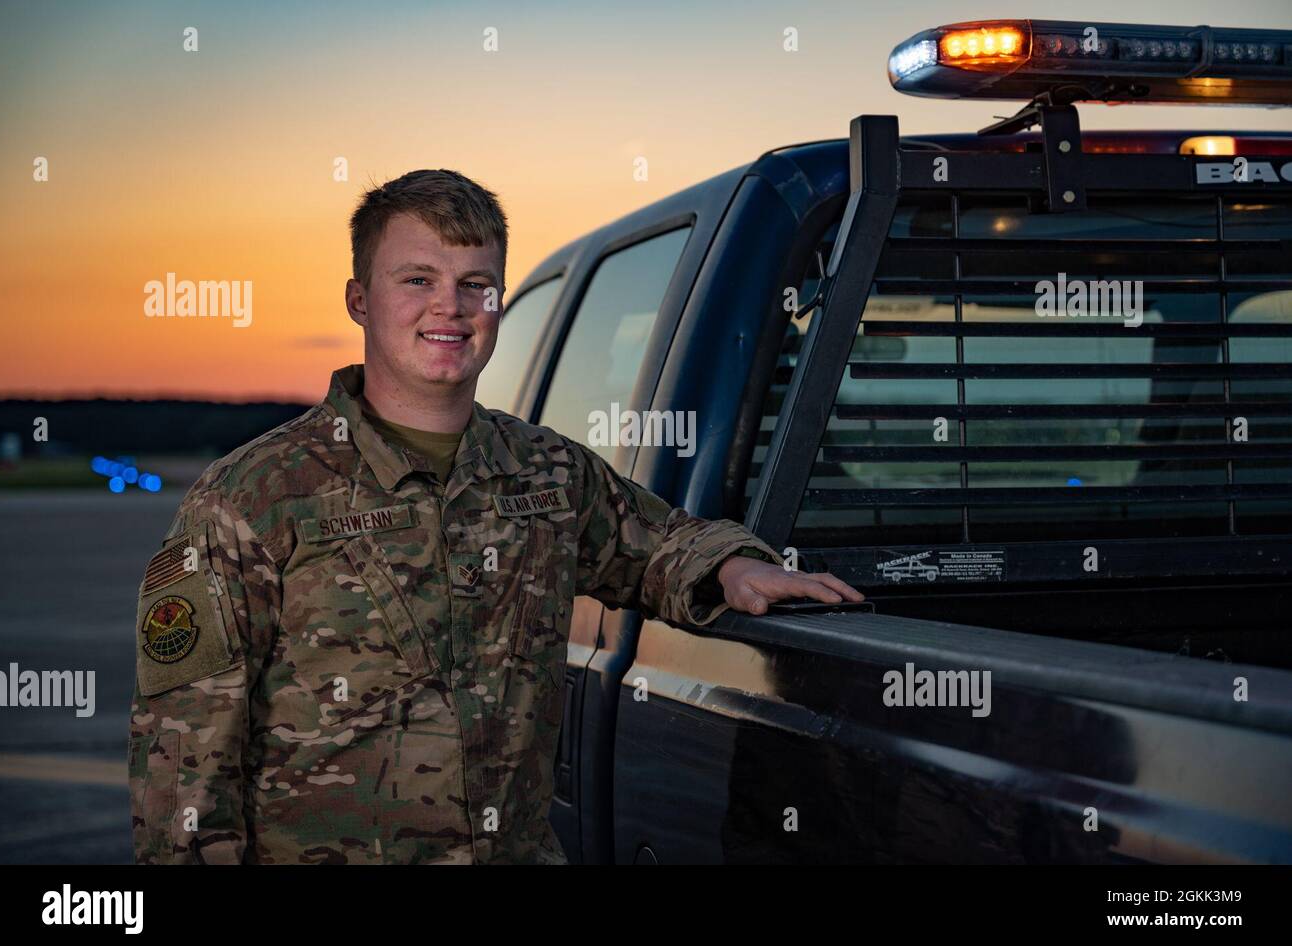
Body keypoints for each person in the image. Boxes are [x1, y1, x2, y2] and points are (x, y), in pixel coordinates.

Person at [128, 169, 863, 864]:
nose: (449, 306)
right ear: (359, 299)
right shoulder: (248, 497)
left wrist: (732, 565)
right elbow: (185, 765)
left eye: (475, 285)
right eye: (417, 280)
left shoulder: (546, 472)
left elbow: (657, 544)